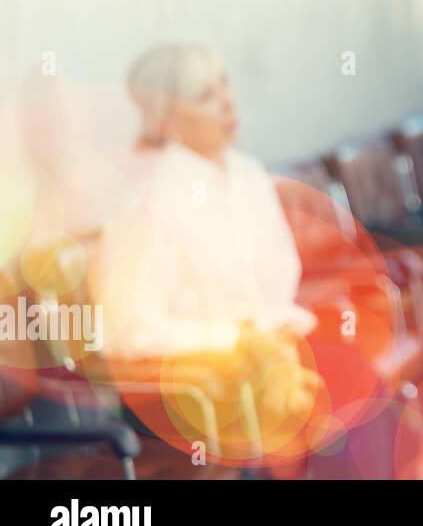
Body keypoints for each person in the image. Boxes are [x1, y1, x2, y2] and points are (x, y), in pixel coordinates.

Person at [94, 43, 321, 461]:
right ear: (165, 120)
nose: (227, 101)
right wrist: (237, 340)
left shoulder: (249, 175)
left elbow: (279, 283)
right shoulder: (147, 200)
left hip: (265, 369)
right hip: (189, 395)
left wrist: (268, 338)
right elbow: (128, 334)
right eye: (204, 96)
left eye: (225, 85)